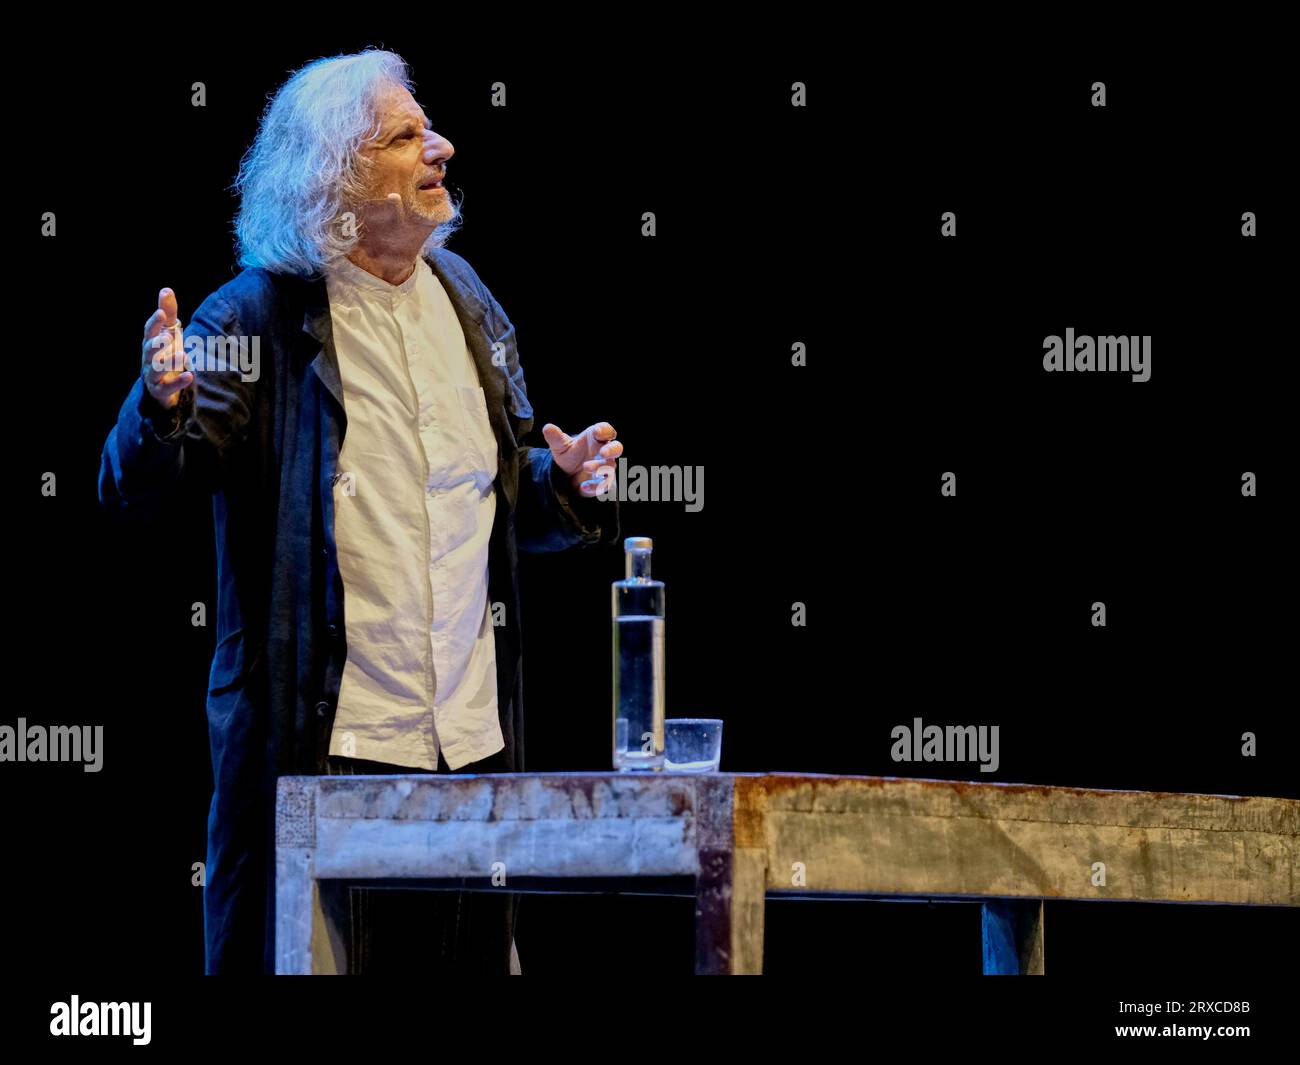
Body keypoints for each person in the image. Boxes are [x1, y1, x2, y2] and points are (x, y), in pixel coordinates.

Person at [98, 48, 623, 974]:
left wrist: (562, 482)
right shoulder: (256, 317)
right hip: (325, 752)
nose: (443, 148)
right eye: (406, 136)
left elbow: (485, 489)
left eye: (431, 129)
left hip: (471, 749)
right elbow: (139, 483)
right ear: (334, 173)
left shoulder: (470, 305)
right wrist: (164, 405)